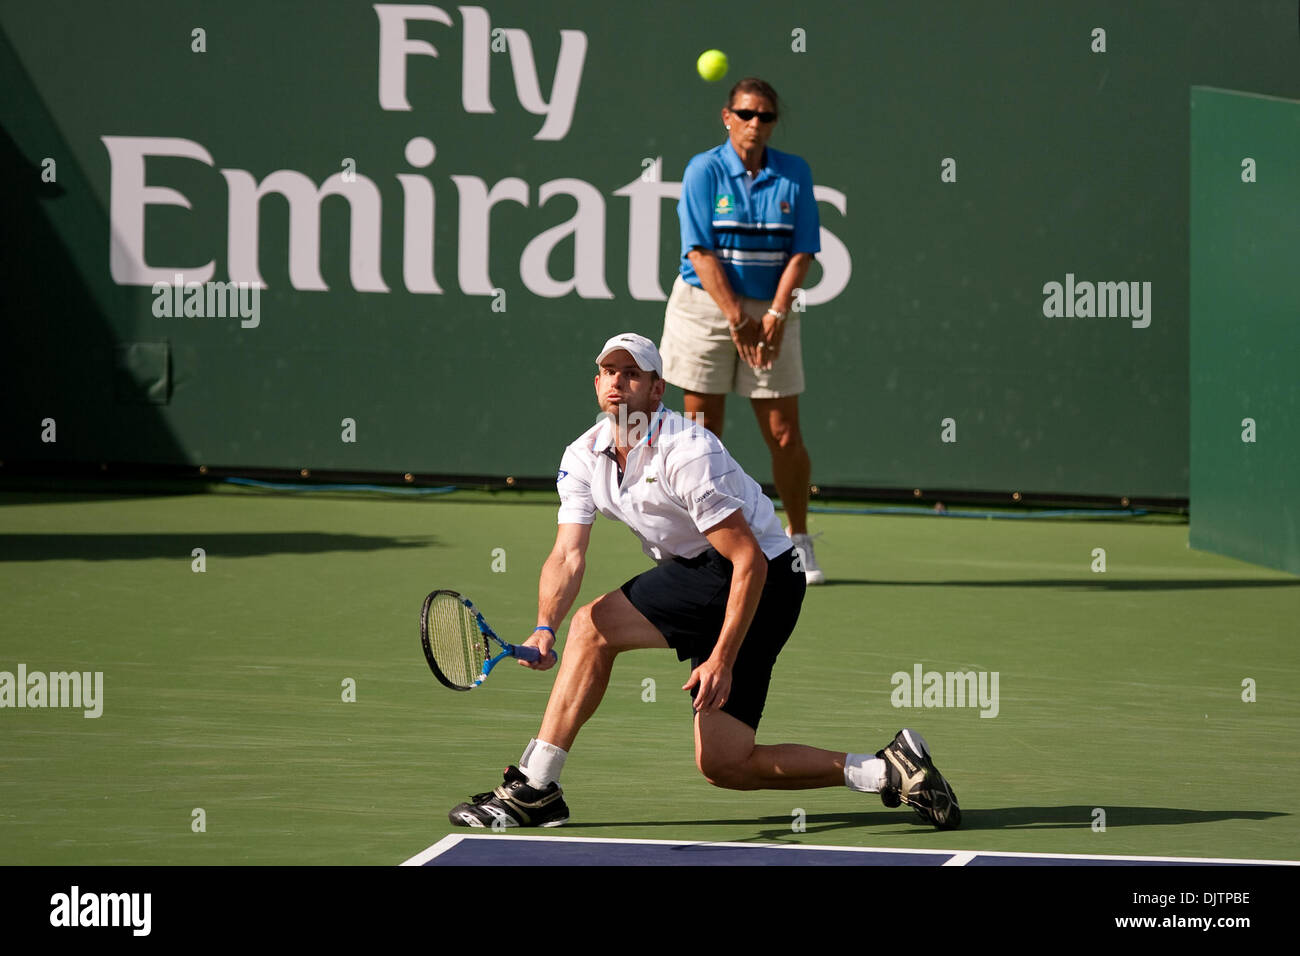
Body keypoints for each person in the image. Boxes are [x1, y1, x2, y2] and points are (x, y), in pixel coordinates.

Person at [447, 333, 960, 830]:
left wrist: (722, 659)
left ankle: (536, 788)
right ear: (596, 383)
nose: (617, 383)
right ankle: (888, 771)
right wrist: (544, 627)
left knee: (594, 627)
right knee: (724, 762)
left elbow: (748, 560)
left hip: (762, 574)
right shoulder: (581, 456)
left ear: (656, 389)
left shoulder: (689, 450)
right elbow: (566, 554)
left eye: (632, 374)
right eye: (608, 372)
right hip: (709, 575)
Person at [660, 76, 825, 585]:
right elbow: (699, 251)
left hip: (771, 309)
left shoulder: (793, 173)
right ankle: (702, 544)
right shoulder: (703, 170)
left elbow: (802, 252)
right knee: (701, 432)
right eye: (746, 114)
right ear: (727, 116)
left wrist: (773, 315)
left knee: (783, 432)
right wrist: (737, 317)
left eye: (766, 116)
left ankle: (797, 540)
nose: (756, 124)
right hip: (707, 308)